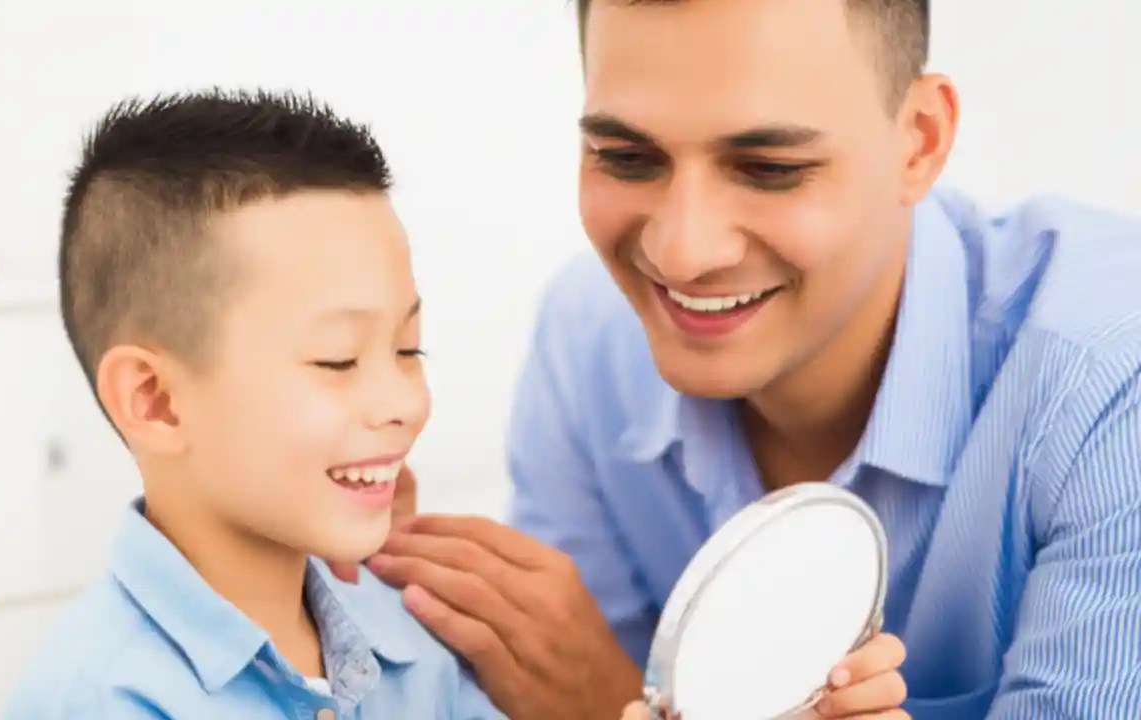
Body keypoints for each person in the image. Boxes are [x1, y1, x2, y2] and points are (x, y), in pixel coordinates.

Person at [362, 0, 1141, 718]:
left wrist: (605, 700)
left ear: (920, 141)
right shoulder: (589, 339)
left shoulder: (1110, 374)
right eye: (627, 157)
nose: (682, 252)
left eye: (771, 169)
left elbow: (591, 698)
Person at [5, 89, 501, 719]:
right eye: (338, 359)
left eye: (408, 350)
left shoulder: (404, 636)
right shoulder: (101, 699)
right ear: (155, 401)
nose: (403, 401)